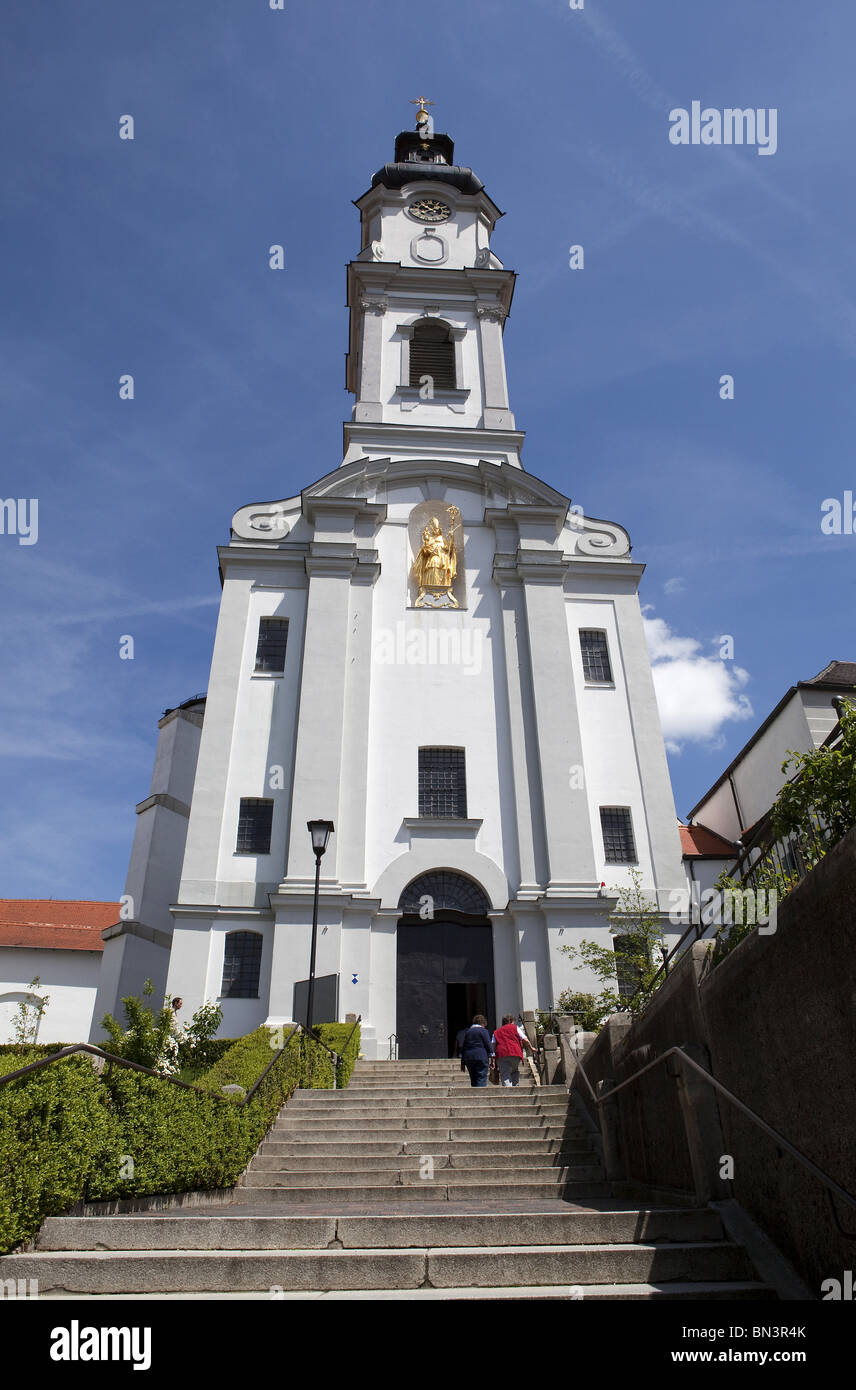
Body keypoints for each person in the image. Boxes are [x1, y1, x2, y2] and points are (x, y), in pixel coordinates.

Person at [492, 1013, 534, 1087]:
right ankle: (515, 1088)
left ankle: (509, 1092)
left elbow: (493, 1045)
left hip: (502, 1054)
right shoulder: (515, 1028)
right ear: (511, 1021)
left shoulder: (496, 1032)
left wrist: (493, 1058)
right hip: (515, 1053)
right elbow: (525, 1039)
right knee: (514, 1071)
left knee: (505, 1074)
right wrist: (531, 1047)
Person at [459, 1014, 493, 1087]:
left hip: (469, 1058)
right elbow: (488, 1044)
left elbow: (464, 1047)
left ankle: (474, 1094)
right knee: (481, 1077)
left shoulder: (468, 1032)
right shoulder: (483, 1031)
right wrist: (492, 1054)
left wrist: (462, 1062)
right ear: (483, 1023)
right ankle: (480, 1095)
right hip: (481, 1056)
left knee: (473, 1078)